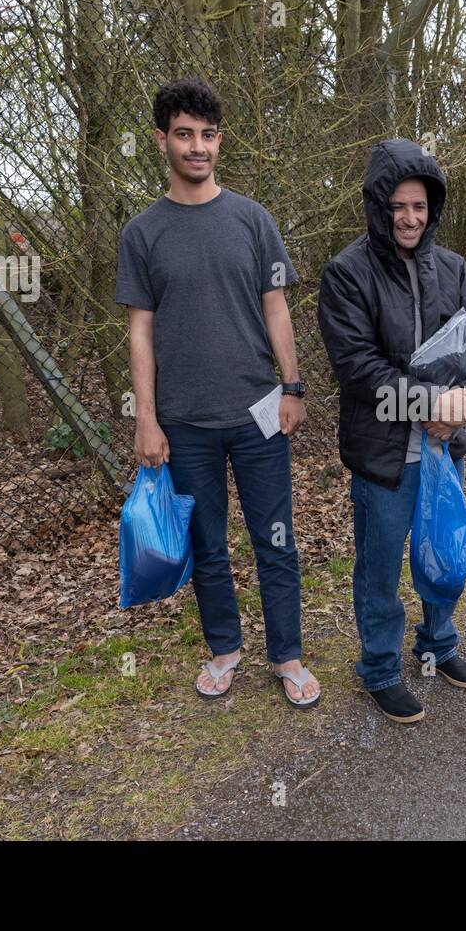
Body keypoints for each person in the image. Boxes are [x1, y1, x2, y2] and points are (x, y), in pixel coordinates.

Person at [115, 79, 321, 708]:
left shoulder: (253, 220)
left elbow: (277, 308)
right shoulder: (142, 233)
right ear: (162, 140)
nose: (197, 147)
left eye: (207, 135)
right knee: (208, 544)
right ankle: (225, 650)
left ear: (219, 141)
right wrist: (146, 419)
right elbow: (140, 332)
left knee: (275, 539)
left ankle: (286, 655)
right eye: (184, 134)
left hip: (258, 414)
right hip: (185, 423)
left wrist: (294, 386)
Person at [318, 138, 466, 724]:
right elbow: (357, 365)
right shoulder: (347, 274)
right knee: (380, 565)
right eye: (398, 205)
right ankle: (378, 666)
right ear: (378, 206)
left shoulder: (452, 268)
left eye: (420, 206)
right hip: (385, 455)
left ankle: (439, 643)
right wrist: (426, 401)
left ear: (433, 209)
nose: (409, 217)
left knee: (442, 549)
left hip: (447, 448)